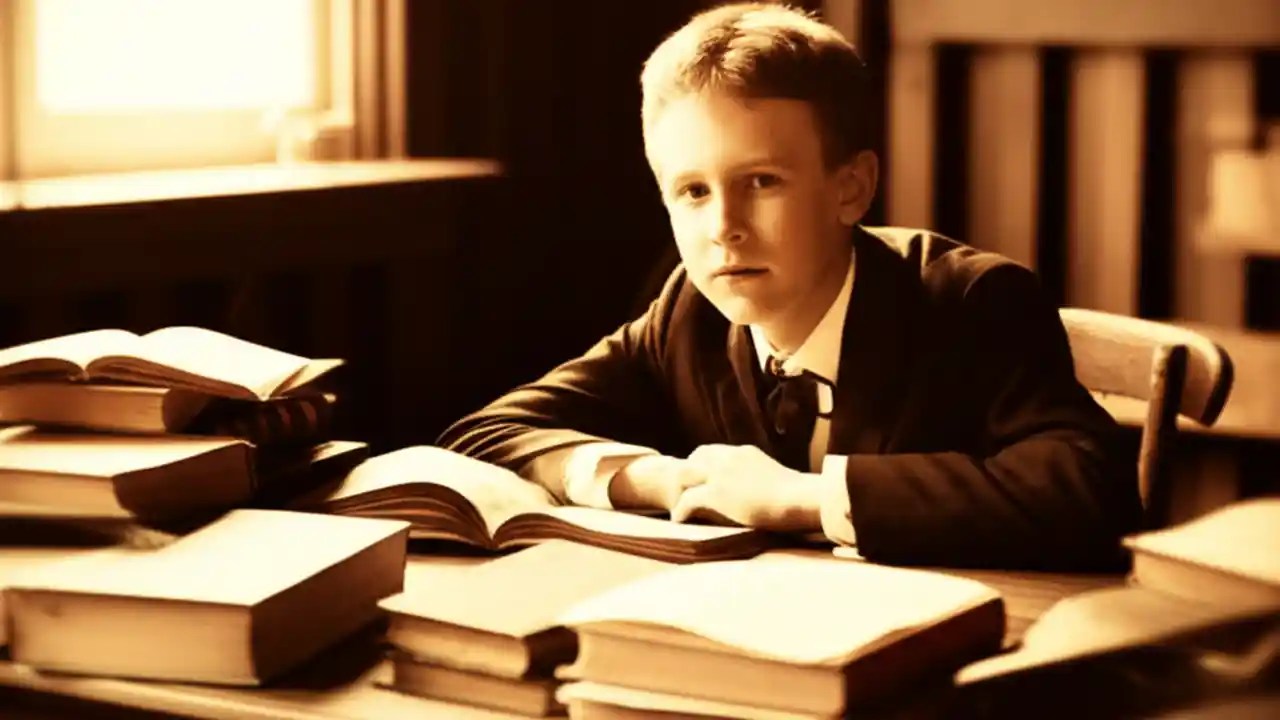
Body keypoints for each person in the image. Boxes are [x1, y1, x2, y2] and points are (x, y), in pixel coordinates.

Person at [438, 2, 1140, 570]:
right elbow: (487, 433)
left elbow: (1089, 492)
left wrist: (803, 498)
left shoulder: (972, 303)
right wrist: (654, 480)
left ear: (852, 187)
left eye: (761, 182)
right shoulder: (689, 309)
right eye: (691, 191)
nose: (725, 227)